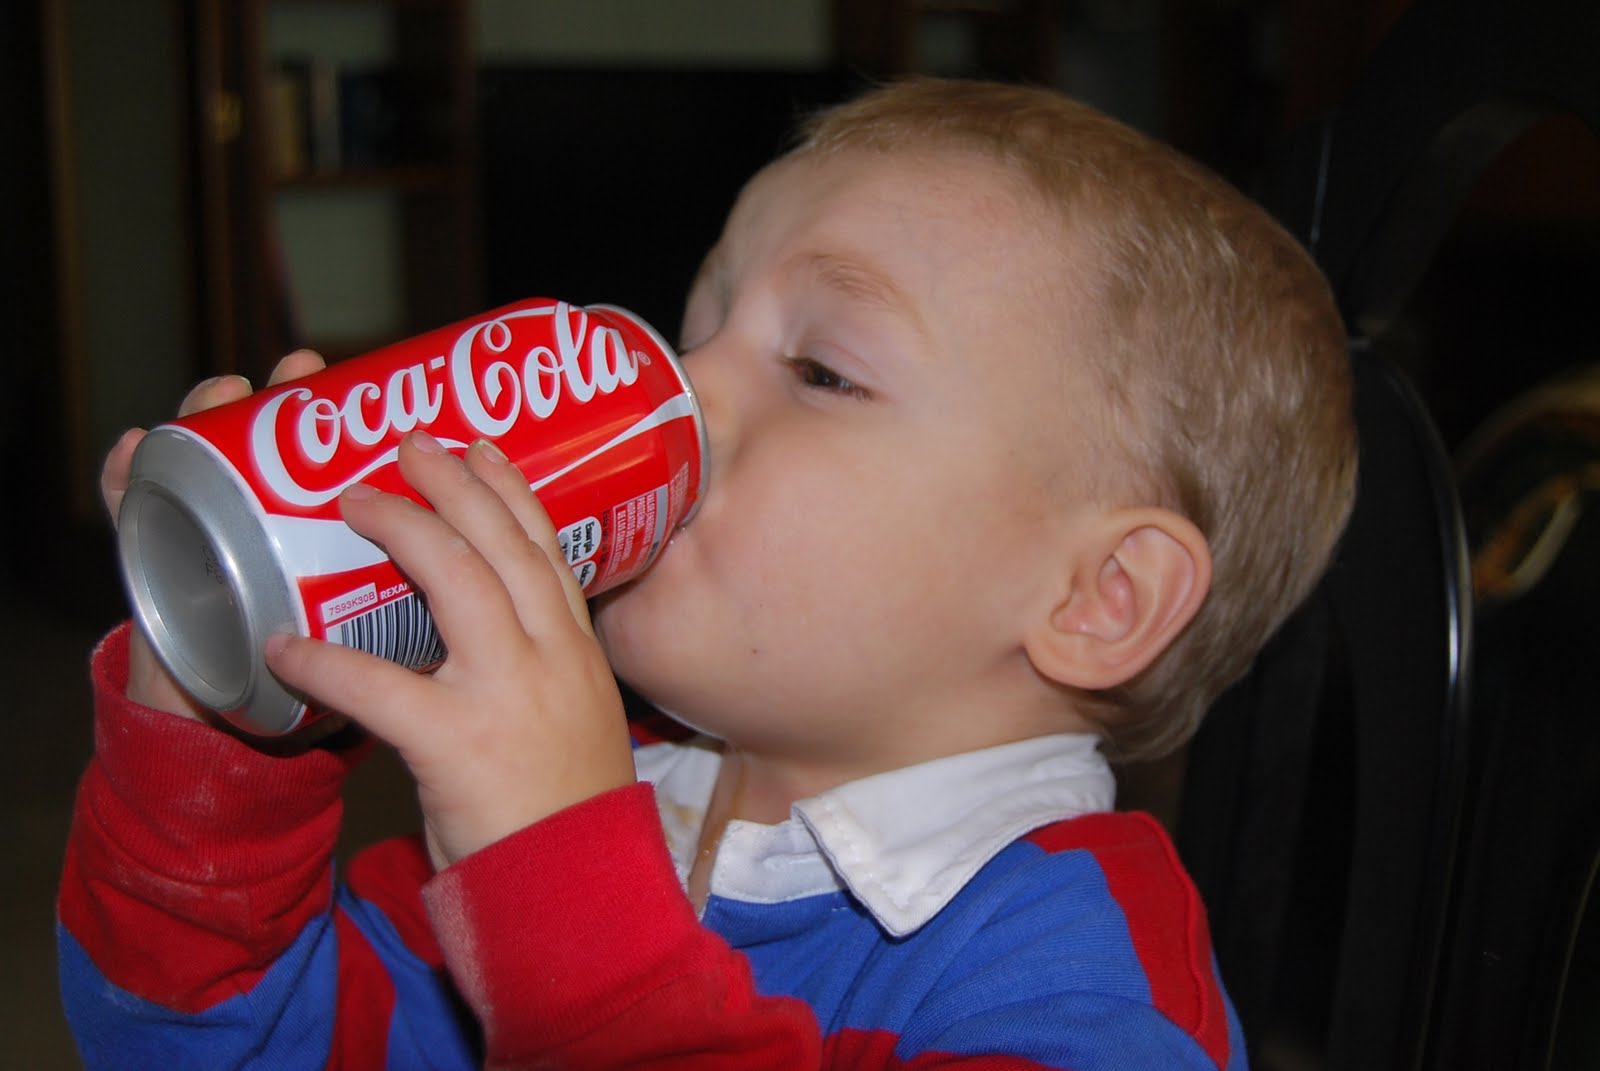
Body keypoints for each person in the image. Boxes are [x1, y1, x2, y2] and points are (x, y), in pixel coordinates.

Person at [58, 77, 1356, 1069]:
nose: (677, 395)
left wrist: (570, 918)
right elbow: (204, 1046)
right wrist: (219, 759)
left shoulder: (1083, 986)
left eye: (823, 372)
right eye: (697, 326)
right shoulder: (579, 793)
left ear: (1096, 601)